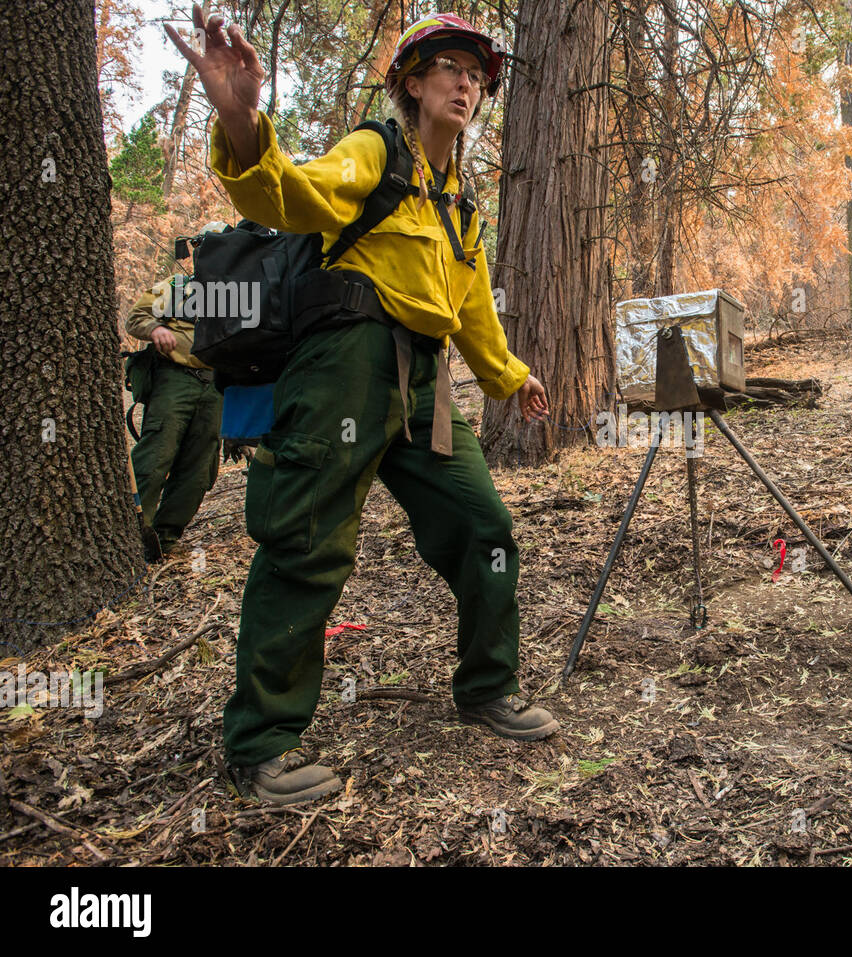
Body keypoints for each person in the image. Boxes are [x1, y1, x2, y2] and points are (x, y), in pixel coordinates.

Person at [166, 6, 559, 806]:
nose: (467, 83)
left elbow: (473, 310)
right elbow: (291, 194)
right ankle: (260, 746)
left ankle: (486, 687)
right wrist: (242, 123)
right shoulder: (374, 151)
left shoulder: (461, 204)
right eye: (449, 66)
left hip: (424, 388)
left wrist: (511, 375)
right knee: (306, 543)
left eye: (478, 75)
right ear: (412, 84)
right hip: (345, 367)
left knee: (483, 525)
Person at [124, 229, 226, 557]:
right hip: (175, 379)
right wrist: (156, 329)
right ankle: (131, 535)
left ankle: (163, 539)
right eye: (202, 247)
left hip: (217, 386)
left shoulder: (241, 292)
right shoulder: (175, 287)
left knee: (199, 470)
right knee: (156, 455)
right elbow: (136, 317)